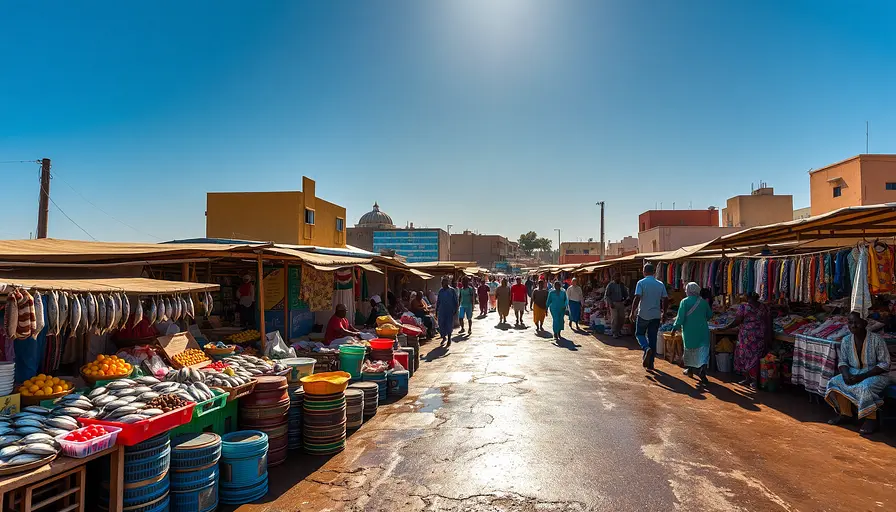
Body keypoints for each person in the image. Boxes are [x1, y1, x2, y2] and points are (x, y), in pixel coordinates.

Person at [824, 312, 891, 435]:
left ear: (865, 323)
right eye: (850, 322)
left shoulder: (877, 339)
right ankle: (845, 414)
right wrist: (845, 374)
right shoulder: (846, 340)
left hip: (876, 375)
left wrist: (862, 376)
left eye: (857, 322)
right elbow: (843, 361)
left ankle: (871, 419)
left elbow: (885, 364)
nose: (853, 325)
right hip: (854, 372)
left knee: (865, 387)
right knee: (834, 382)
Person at [723, 292, 770, 389]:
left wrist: (726, 327)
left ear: (747, 297)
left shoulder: (744, 307)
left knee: (745, 356)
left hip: (747, 336)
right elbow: (768, 321)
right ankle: (751, 380)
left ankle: (752, 380)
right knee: (756, 357)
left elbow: (737, 321)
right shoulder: (763, 307)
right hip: (760, 335)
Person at [671, 282, 713, 386]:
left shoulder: (684, 302)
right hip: (702, 330)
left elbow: (680, 318)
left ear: (688, 290)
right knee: (703, 350)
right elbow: (709, 315)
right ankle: (702, 368)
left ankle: (689, 370)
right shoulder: (703, 302)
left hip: (689, 331)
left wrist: (674, 328)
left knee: (690, 350)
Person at [630, 264, 669, 371]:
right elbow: (665, 299)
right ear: (654, 272)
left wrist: (632, 312)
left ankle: (646, 348)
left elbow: (637, 298)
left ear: (644, 271)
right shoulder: (660, 284)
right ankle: (651, 364)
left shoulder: (641, 283)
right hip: (656, 315)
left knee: (639, 334)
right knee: (652, 338)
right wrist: (664, 313)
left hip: (643, 314)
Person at [604, 273, 629, 338]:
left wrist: (626, 299)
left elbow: (626, 294)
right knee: (615, 318)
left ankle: (618, 330)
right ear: (614, 277)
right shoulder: (610, 285)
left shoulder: (622, 285)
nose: (618, 278)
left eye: (619, 277)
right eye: (616, 277)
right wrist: (610, 303)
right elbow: (607, 295)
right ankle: (614, 332)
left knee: (622, 318)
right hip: (613, 303)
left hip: (621, 303)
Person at [436, 277, 459, 346]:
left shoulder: (452, 290)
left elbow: (456, 301)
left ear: (447, 283)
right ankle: (443, 337)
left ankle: (449, 338)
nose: (442, 284)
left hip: (449, 310)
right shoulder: (440, 291)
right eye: (442, 283)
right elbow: (438, 301)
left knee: (449, 325)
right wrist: (436, 310)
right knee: (441, 324)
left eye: (444, 282)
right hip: (442, 310)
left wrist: (456, 309)